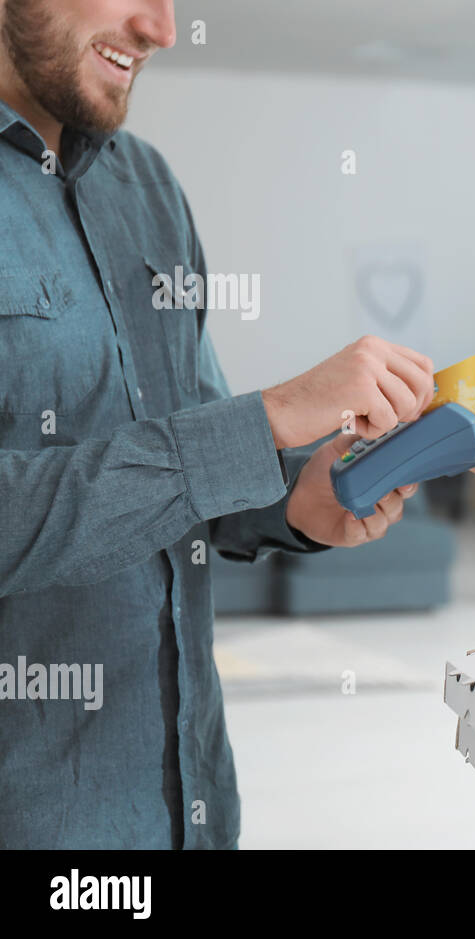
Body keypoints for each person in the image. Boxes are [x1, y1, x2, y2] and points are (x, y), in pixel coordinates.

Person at [0, 0, 436, 848]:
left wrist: (298, 501)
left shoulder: (149, 189)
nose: (162, 28)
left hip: (190, 810)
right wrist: (265, 417)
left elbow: (193, 459)